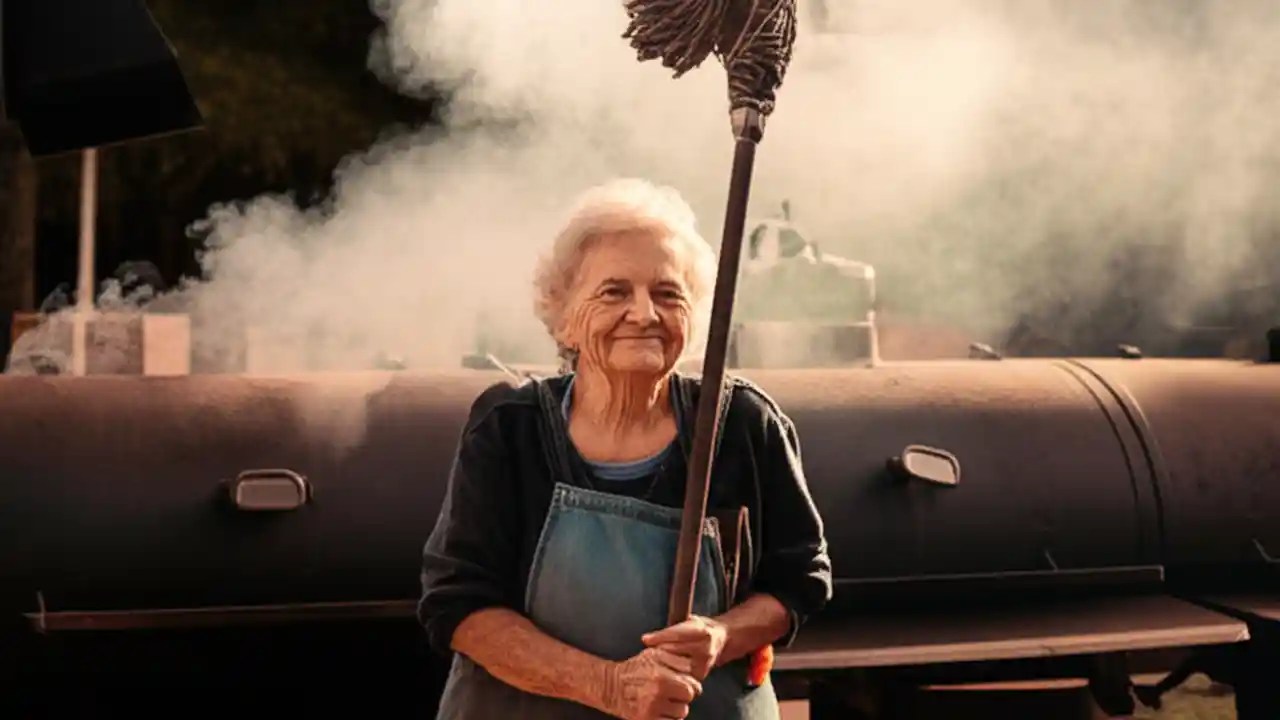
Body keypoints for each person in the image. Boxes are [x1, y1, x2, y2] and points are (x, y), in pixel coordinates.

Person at [418, 178, 833, 719]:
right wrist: (612, 687)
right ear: (563, 313)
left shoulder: (742, 424)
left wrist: (721, 634)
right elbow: (458, 603)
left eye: (667, 293)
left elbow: (800, 578)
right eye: (614, 291)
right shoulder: (509, 429)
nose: (644, 314)